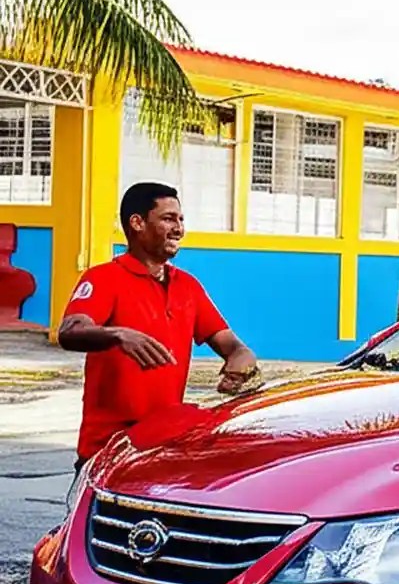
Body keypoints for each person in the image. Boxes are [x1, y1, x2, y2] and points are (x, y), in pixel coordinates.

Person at [57, 182, 258, 474]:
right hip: (108, 452)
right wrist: (117, 334)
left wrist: (240, 363)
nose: (179, 228)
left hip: (165, 448)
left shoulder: (188, 286)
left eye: (181, 219)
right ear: (137, 223)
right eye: (168, 218)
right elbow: (70, 330)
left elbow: (233, 346)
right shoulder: (104, 278)